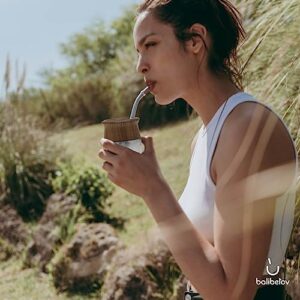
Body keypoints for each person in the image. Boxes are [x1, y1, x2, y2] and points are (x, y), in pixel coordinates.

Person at [98, 0, 298, 299]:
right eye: (138, 52)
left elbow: (234, 292)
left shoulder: (247, 127)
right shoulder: (205, 136)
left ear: (195, 40)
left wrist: (154, 189)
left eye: (150, 44)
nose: (140, 65)